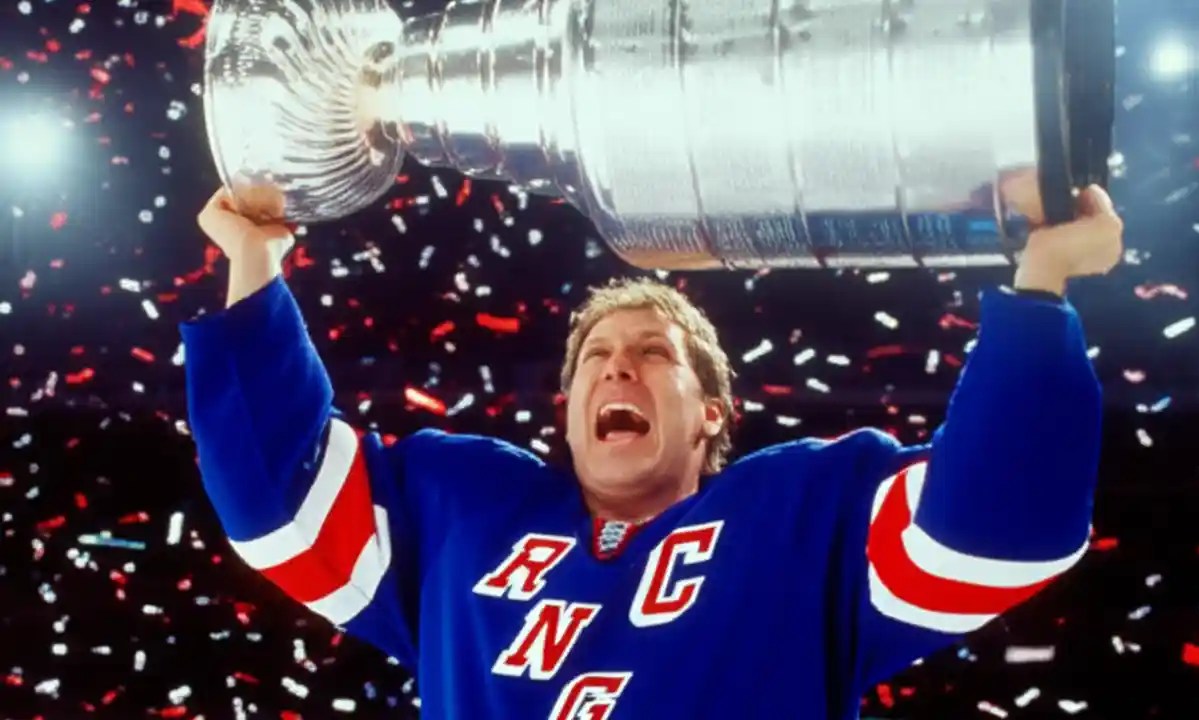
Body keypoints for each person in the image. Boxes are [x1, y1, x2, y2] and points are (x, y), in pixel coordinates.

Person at [182, 176, 1123, 719]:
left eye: (650, 354)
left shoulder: (804, 510)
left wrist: (1040, 286)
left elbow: (998, 532)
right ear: (568, 404)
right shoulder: (461, 502)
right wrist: (252, 262)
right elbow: (283, 510)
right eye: (595, 357)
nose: (615, 371)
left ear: (712, 410)